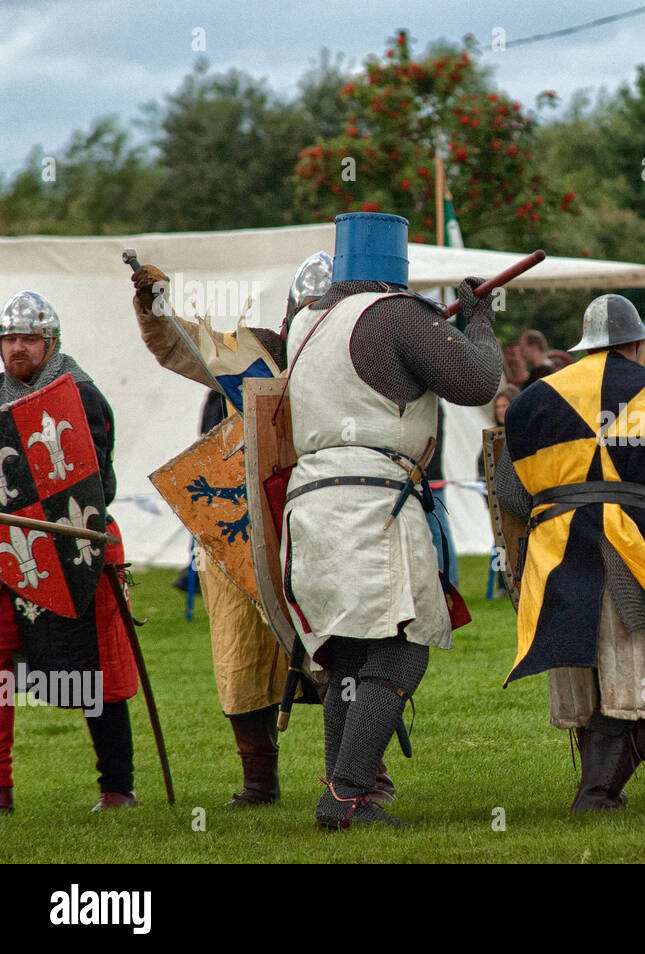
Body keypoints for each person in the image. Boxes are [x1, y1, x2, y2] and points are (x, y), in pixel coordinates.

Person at [131, 252, 398, 808]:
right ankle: (258, 780)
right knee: (239, 651)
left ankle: (361, 774)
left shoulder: (365, 361)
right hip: (244, 525)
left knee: (344, 645)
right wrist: (156, 307)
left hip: (328, 519)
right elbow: (182, 343)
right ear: (291, 311)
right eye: (309, 308)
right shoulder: (253, 355)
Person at [280, 212, 502, 828]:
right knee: (401, 653)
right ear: (397, 267)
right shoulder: (399, 314)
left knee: (349, 654)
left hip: (310, 502)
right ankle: (346, 794)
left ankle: (347, 794)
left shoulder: (304, 322)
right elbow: (480, 381)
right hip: (369, 500)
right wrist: (479, 322)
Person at [494, 293, 645, 813]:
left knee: (586, 673)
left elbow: (513, 497)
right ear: (636, 343)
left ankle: (602, 788)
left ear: (584, 346)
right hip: (634, 552)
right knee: (642, 671)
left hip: (557, 555)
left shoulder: (534, 400)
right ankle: (597, 793)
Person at [0, 291, 138, 812]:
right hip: (10, 550)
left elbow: (96, 482)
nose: (16, 348)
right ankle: (0, 790)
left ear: (50, 342)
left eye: (27, 339)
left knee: (95, 672)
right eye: (9, 338)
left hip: (77, 548)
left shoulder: (79, 393)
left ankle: (118, 789)